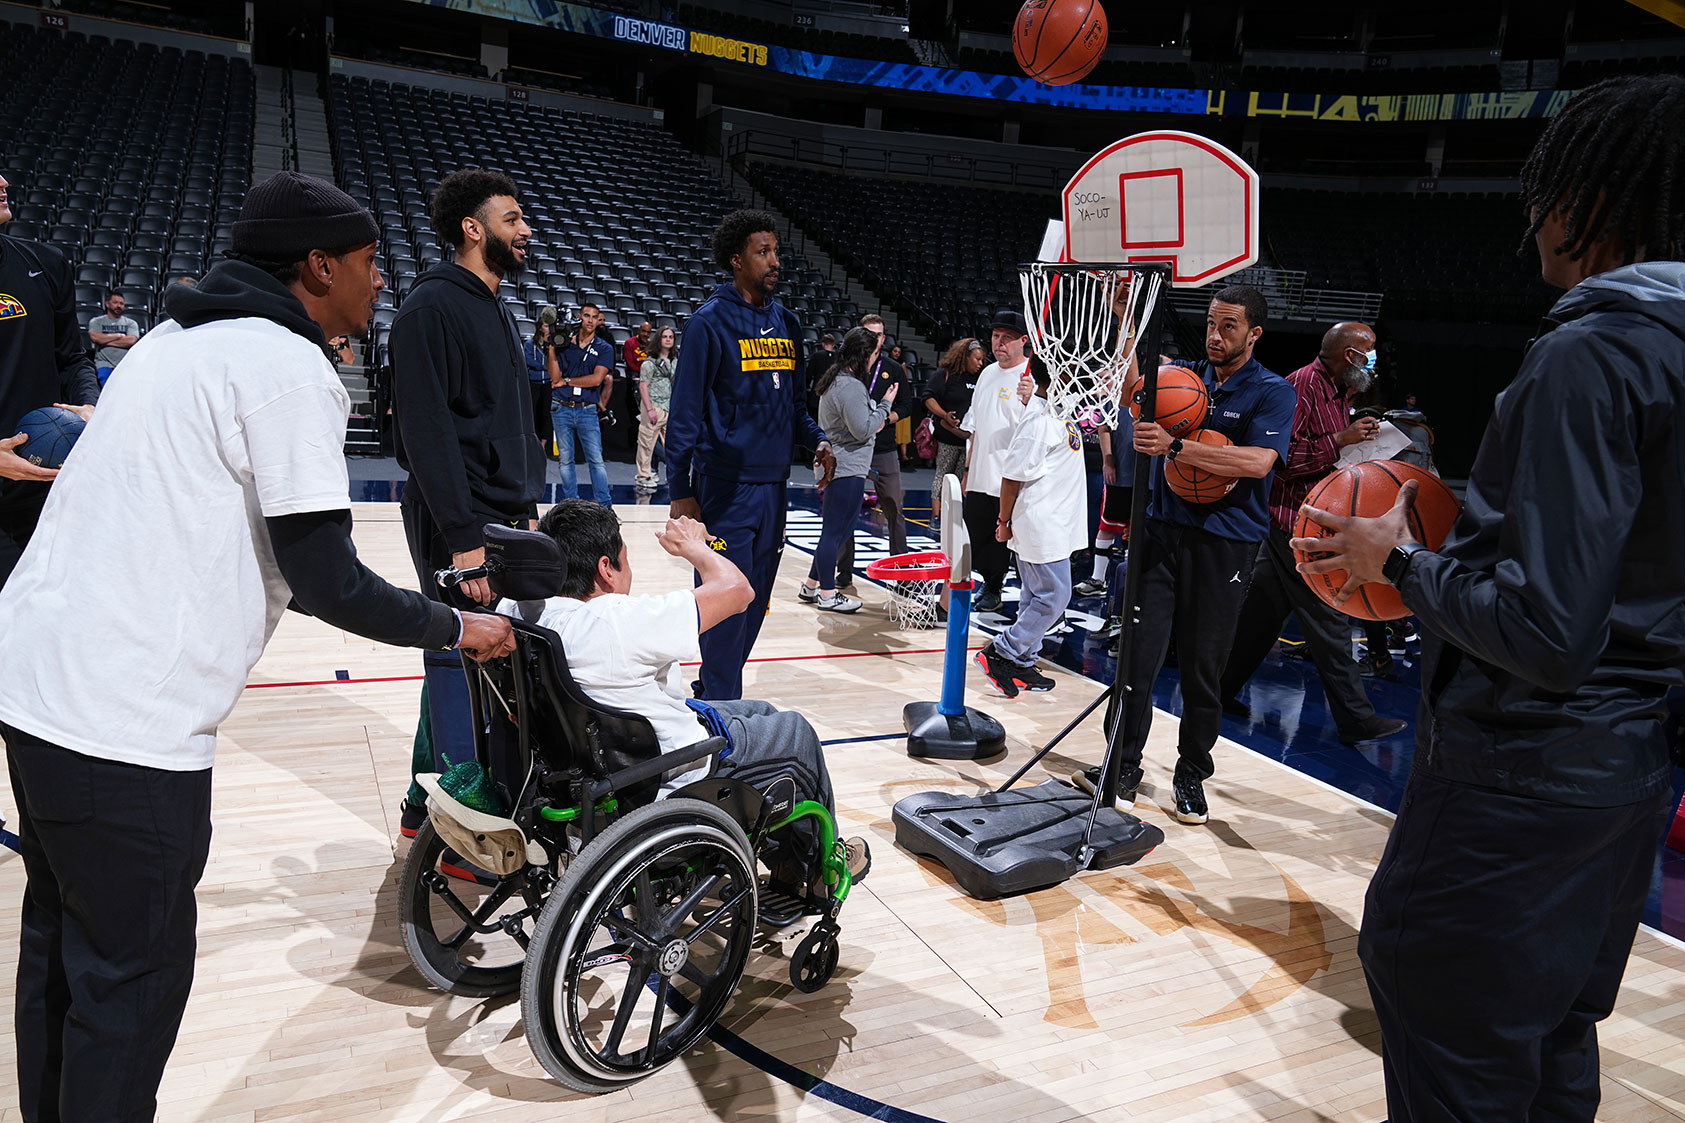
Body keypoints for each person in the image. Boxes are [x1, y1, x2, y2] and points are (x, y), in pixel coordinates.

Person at [0, 171, 516, 1123]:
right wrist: (456, 624)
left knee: (62, 951)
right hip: (123, 718)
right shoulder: (286, 368)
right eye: (367, 265)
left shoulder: (172, 337)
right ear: (317, 267)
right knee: (131, 985)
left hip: (34, 680)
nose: (377, 285)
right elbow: (328, 579)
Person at [1292, 74, 1685, 1123]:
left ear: (1600, 201)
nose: (1531, 214)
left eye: (1547, 188)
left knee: (1449, 1028)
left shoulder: (1590, 352)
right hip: (1630, 771)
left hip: (1521, 774)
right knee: (1551, 1035)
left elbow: (1545, 631)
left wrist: (1398, 562)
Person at [512, 499, 869, 884]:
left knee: (761, 710)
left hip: (601, 762)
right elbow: (737, 590)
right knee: (796, 733)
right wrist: (695, 547)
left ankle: (776, 849)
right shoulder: (618, 620)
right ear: (605, 569)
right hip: (668, 774)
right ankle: (817, 872)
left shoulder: (525, 612)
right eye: (624, 560)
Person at [1071, 285, 1296, 825]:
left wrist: (1175, 446)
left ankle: (1191, 772)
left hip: (1228, 542)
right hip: (1162, 531)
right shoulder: (1186, 376)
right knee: (1136, 657)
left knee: (1203, 666)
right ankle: (1121, 764)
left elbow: (1258, 462)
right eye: (1212, 324)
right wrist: (1126, 317)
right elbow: (1132, 387)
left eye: (1230, 327)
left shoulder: (1272, 391)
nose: (1217, 336)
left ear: (1254, 333)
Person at [390, 167, 543, 839]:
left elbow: (503, 417)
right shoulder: (431, 307)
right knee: (459, 658)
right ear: (472, 228)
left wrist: (528, 502)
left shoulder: (493, 302)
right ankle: (463, 831)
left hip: (501, 509)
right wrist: (463, 539)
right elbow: (424, 434)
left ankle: (424, 806)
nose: (525, 229)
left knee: (468, 654)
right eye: (512, 219)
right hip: (459, 519)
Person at [666, 209, 834, 700]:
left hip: (774, 487)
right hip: (724, 488)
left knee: (754, 601)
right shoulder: (708, 322)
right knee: (726, 599)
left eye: (776, 250)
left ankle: (714, 694)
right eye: (763, 252)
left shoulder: (788, 322)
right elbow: (685, 414)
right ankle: (723, 709)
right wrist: (681, 492)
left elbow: (795, 405)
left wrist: (818, 441)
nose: (774, 260)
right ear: (736, 260)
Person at [1218, 321, 1408, 746]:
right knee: (1331, 622)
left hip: (1302, 519)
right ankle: (1356, 719)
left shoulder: (1341, 391)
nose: (1375, 359)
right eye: (1370, 351)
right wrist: (1341, 440)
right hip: (1296, 521)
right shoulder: (1298, 387)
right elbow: (1280, 458)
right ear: (1349, 355)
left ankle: (1215, 691)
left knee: (1258, 620)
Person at [0, 170, 100, 590]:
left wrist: (92, 404)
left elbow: (72, 358)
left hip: (46, 486)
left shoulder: (45, 264)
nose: (4, 181)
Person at [975, 354, 1084, 696]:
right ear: (1059, 374)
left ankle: (1024, 659)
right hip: (1039, 522)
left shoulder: (1059, 408)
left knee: (1033, 595)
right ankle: (1002, 651)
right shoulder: (1039, 421)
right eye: (1071, 368)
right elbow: (1011, 477)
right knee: (1055, 596)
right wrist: (1003, 521)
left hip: (1055, 521)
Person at [799, 326, 894, 613]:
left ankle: (811, 584)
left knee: (835, 531)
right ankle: (828, 595)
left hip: (839, 464)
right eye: (875, 353)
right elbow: (863, 429)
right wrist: (884, 405)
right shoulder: (850, 385)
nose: (876, 359)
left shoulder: (838, 379)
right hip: (845, 467)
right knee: (834, 533)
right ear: (864, 354)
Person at [962, 311, 1033, 613]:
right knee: (979, 535)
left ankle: (1032, 597)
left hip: (1012, 477)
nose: (999, 343)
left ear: (1023, 341)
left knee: (1012, 540)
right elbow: (976, 424)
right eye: (995, 336)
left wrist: (1034, 400)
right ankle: (992, 586)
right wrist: (968, 470)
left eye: (1007, 338)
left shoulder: (1032, 378)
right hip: (980, 472)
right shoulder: (987, 373)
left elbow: (1041, 428)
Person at [834, 313, 908, 589]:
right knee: (846, 508)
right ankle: (843, 571)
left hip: (883, 447)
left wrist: (886, 419)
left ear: (884, 338)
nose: (873, 339)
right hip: (852, 448)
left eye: (878, 335)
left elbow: (907, 405)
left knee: (893, 508)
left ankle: (900, 570)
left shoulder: (893, 369)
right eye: (868, 333)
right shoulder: (846, 368)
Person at [548, 301, 616, 504]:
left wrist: (567, 381)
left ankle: (605, 506)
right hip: (561, 407)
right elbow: (554, 378)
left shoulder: (604, 348)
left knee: (596, 461)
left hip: (587, 410)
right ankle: (572, 504)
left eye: (595, 317)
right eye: (587, 316)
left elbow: (596, 379)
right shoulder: (565, 343)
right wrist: (551, 350)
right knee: (565, 461)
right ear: (580, 317)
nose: (591, 320)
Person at [924, 336, 983, 532]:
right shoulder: (945, 374)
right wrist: (944, 415)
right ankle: (936, 516)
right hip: (948, 436)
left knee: (959, 480)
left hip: (968, 440)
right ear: (965, 357)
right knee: (943, 475)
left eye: (982, 360)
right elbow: (928, 397)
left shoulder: (980, 378)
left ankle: (954, 517)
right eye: (977, 359)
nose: (980, 363)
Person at [636, 324, 676, 492]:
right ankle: (643, 476)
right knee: (646, 443)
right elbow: (643, 387)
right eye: (665, 336)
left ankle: (674, 475)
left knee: (674, 444)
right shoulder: (649, 363)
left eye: (670, 337)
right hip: (653, 406)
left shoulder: (675, 361)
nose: (668, 339)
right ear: (659, 339)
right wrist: (650, 409)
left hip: (669, 406)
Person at [87, 289, 141, 382]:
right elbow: (95, 337)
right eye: (115, 302)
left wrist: (104, 340)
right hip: (104, 364)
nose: (118, 306)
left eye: (121, 303)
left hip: (125, 363)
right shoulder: (96, 321)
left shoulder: (131, 323)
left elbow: (131, 341)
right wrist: (118, 335)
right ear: (107, 304)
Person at [524, 306, 556, 455]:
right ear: (540, 327)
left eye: (549, 325)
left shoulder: (554, 344)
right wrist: (546, 367)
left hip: (548, 384)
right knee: (533, 413)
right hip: (534, 382)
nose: (548, 328)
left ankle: (543, 444)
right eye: (545, 325)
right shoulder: (531, 343)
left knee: (546, 413)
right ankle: (531, 441)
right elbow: (529, 360)